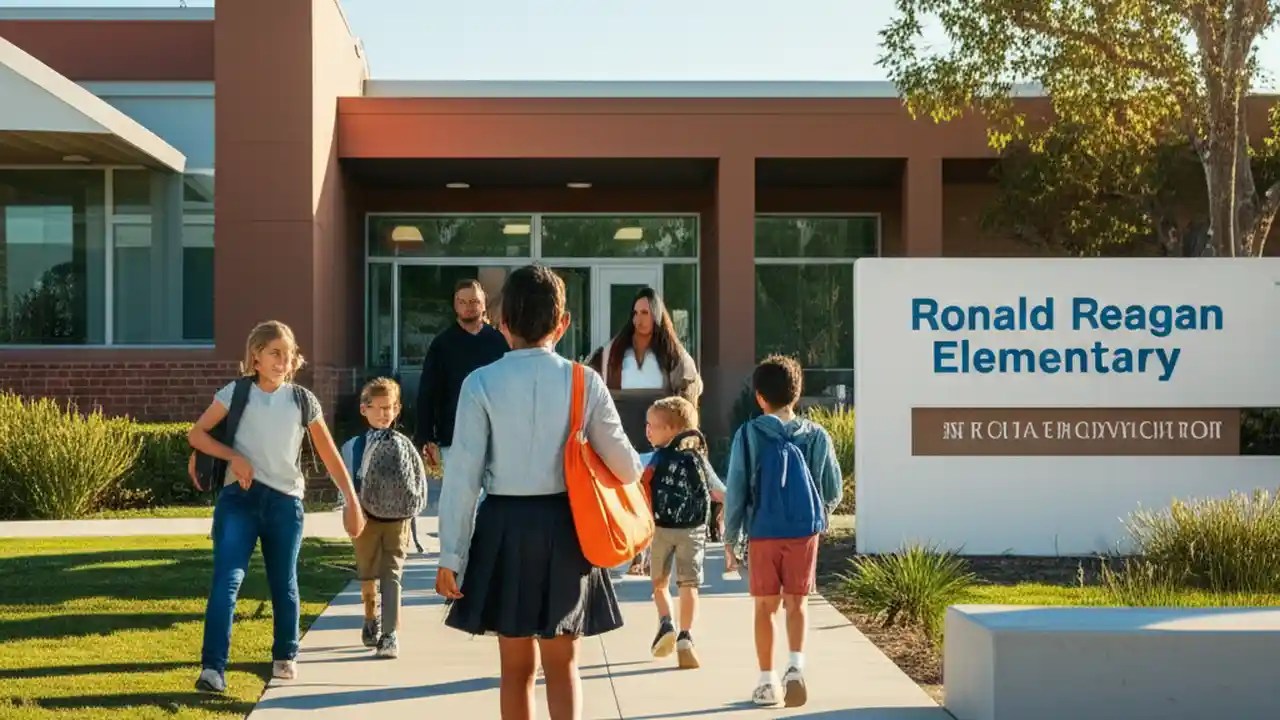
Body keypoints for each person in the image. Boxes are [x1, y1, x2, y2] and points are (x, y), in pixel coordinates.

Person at [435, 264, 643, 720]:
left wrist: (451, 554)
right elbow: (627, 466)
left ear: (502, 323)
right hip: (567, 528)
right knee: (563, 664)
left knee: (515, 669)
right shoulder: (583, 381)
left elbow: (462, 478)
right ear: (563, 323)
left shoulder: (480, 383)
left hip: (502, 526)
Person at [190, 320, 365, 694]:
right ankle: (212, 669)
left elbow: (330, 455)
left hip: (285, 504)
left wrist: (352, 501)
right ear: (255, 356)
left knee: (283, 582)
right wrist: (233, 456)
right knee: (227, 581)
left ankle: (285, 654)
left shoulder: (303, 400)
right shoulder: (234, 393)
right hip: (239, 499)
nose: (282, 361)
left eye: (288, 355)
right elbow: (197, 434)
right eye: (274, 353)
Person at [722, 354, 843, 709]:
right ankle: (795, 667)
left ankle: (766, 682)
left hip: (763, 532)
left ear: (760, 396)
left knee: (765, 607)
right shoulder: (817, 435)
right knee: (797, 602)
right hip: (803, 533)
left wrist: (732, 539)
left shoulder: (748, 434)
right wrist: (816, 517)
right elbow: (833, 489)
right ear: (797, 393)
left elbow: (737, 489)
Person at [587, 287, 702, 574]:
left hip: (659, 440)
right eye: (635, 313)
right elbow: (590, 384)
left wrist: (683, 436)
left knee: (652, 500)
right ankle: (635, 550)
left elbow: (689, 395)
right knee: (629, 498)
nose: (639, 319)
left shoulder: (673, 354)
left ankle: (648, 555)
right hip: (621, 438)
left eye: (646, 312)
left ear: (657, 315)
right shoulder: (612, 352)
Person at [339, 377, 428, 659]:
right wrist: (348, 509)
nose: (384, 414)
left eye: (389, 408)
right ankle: (370, 616)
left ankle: (390, 633)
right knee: (367, 574)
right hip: (365, 517)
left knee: (392, 574)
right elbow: (346, 481)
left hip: (398, 520)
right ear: (363, 409)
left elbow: (416, 480)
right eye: (377, 408)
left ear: (398, 408)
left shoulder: (404, 445)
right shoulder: (353, 446)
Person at [642, 396, 725, 670]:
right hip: (692, 531)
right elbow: (717, 491)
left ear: (673, 430)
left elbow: (637, 479)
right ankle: (686, 636)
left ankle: (666, 621)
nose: (648, 430)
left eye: (653, 425)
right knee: (689, 585)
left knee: (660, 584)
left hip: (660, 529)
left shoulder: (656, 457)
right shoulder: (698, 458)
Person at [415, 278, 510, 471]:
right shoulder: (442, 345)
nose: (469, 307)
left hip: (497, 438)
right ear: (455, 305)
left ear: (483, 304)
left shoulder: (500, 342)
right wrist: (425, 437)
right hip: (453, 438)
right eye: (463, 302)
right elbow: (428, 393)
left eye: (474, 301)